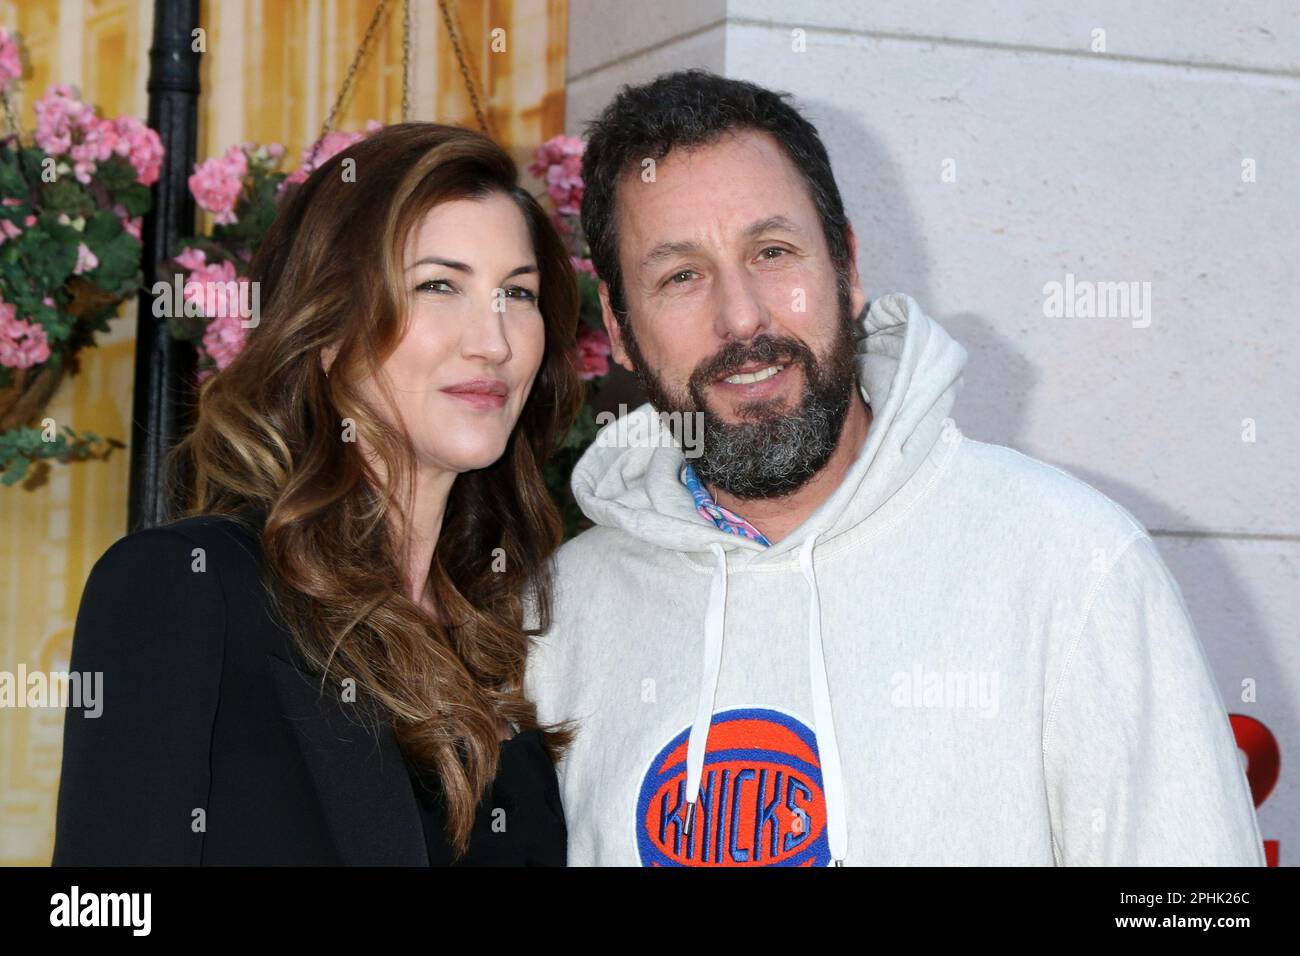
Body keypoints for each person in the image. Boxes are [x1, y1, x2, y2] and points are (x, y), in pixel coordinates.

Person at [522, 70, 1266, 866]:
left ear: (846, 266)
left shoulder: (1070, 564)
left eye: (773, 252)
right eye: (680, 276)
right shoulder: (558, 619)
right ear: (621, 329)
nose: (741, 317)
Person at [53, 122, 582, 865]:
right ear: (327, 323)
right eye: (440, 284)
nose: (493, 340)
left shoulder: (511, 633)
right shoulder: (188, 588)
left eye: (516, 293)